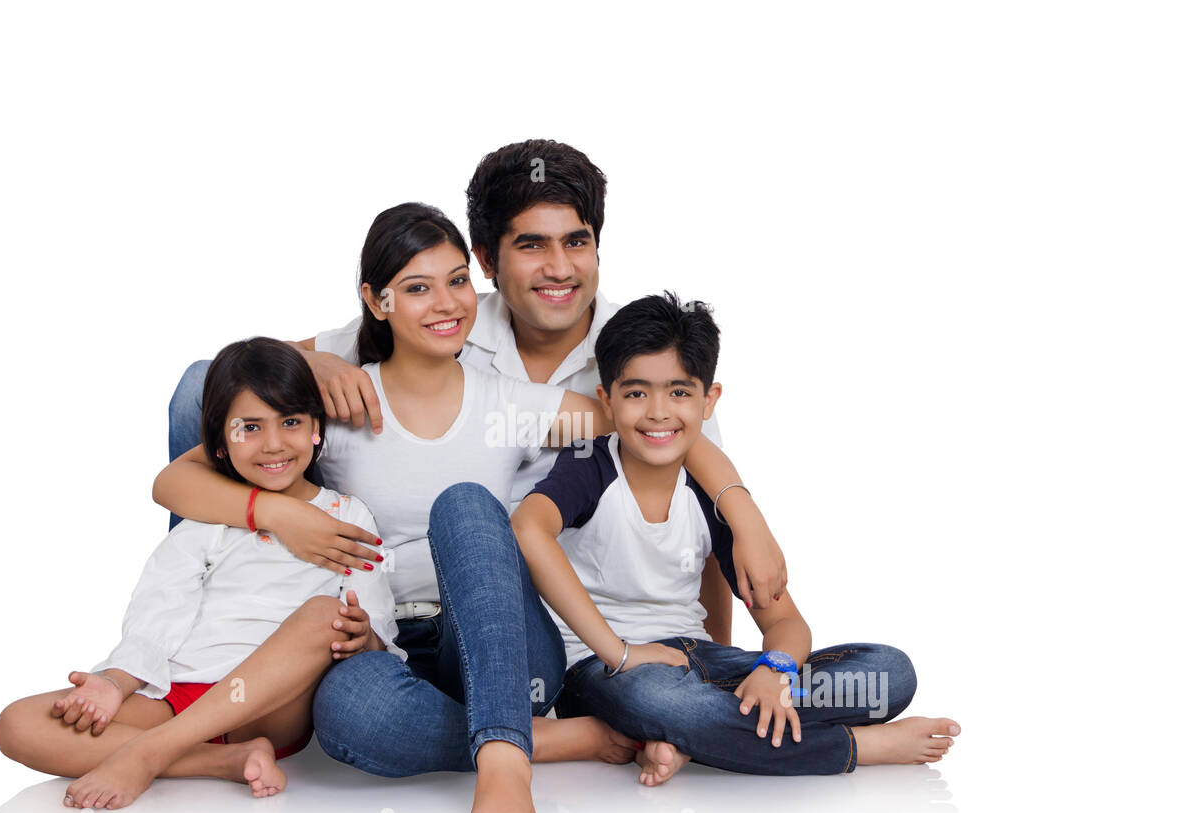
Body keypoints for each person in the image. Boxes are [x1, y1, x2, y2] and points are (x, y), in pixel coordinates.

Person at [153, 204, 777, 813]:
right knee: (349, 717)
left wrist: (740, 505)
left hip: (499, 637)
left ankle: (505, 758)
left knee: (467, 505)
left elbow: (652, 420)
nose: (446, 303)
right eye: (418, 288)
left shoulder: (509, 402)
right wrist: (280, 512)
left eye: (457, 281)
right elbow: (174, 480)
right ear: (376, 301)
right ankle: (564, 737)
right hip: (383, 639)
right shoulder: (335, 409)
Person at [165, 139, 788, 639]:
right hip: (387, 572)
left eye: (577, 242)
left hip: (557, 609)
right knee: (203, 389)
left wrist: (741, 530)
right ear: (488, 260)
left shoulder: (638, 354)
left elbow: (690, 478)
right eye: (532, 246)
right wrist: (319, 364)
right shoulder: (447, 317)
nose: (560, 268)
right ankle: (197, 624)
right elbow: (243, 374)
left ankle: (536, 723)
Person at [510, 292, 961, 785]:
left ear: (709, 401)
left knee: (887, 673)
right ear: (607, 400)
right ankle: (857, 747)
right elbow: (529, 527)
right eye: (637, 393)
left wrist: (776, 670)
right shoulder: (589, 466)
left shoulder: (709, 494)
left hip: (703, 660)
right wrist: (619, 651)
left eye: (679, 393)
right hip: (605, 671)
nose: (658, 412)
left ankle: (688, 737)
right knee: (660, 701)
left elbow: (785, 620)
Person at [0, 337, 400, 809]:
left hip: (270, 705)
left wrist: (365, 637)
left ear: (316, 429)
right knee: (17, 724)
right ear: (221, 444)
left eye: (291, 422)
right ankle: (218, 761)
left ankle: (148, 753)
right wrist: (116, 682)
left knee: (324, 614)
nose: (273, 444)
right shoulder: (209, 515)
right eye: (249, 427)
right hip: (179, 695)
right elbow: (160, 606)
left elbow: (375, 618)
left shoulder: (348, 515)